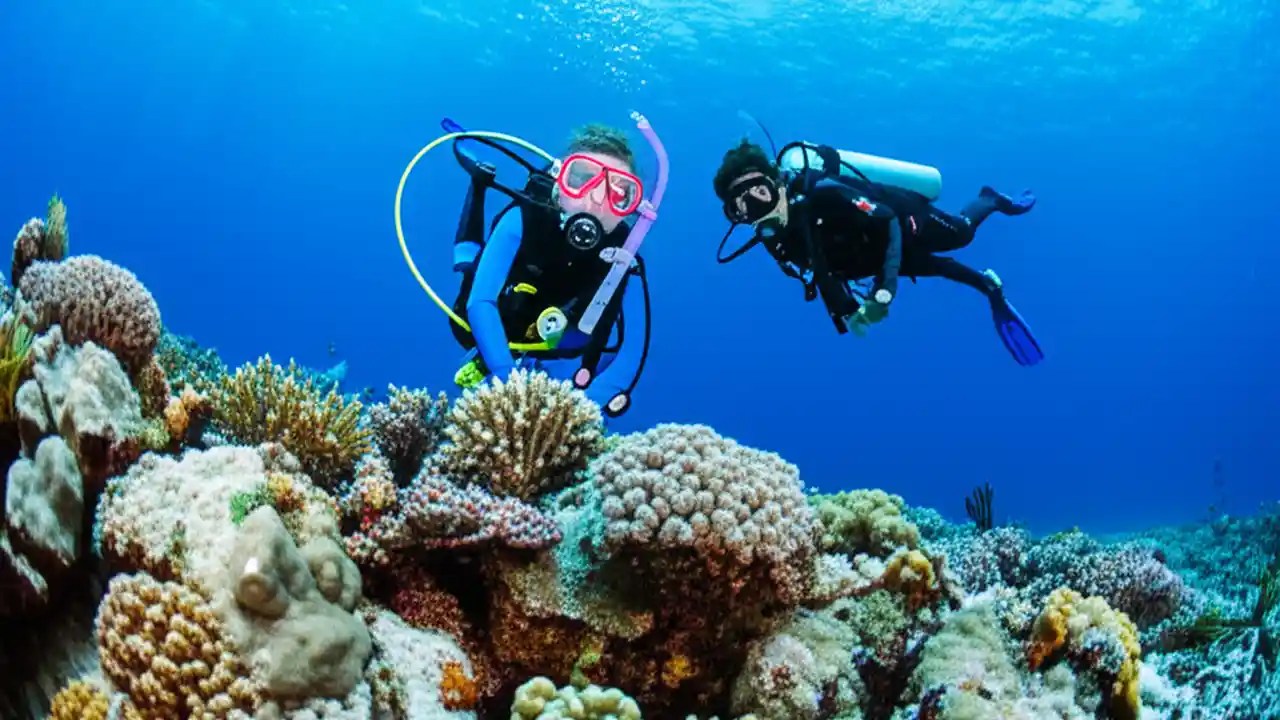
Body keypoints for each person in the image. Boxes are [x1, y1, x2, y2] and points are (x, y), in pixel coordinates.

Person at [710, 137, 1044, 365]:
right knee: (939, 267)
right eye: (742, 207)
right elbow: (821, 271)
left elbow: (886, 221)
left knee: (962, 235)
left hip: (903, 219)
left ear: (778, 183)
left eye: (760, 194)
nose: (758, 209)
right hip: (872, 257)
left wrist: (884, 292)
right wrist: (847, 311)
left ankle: (991, 199)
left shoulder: (825, 194)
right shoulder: (774, 239)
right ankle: (989, 287)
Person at [448, 121, 658, 416]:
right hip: (492, 317)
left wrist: (592, 406)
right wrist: (506, 379)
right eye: (582, 178)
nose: (597, 199)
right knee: (469, 265)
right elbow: (481, 301)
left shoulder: (624, 254)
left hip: (553, 338)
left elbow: (631, 348)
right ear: (559, 184)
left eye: (620, 192)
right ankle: (478, 184)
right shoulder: (525, 216)